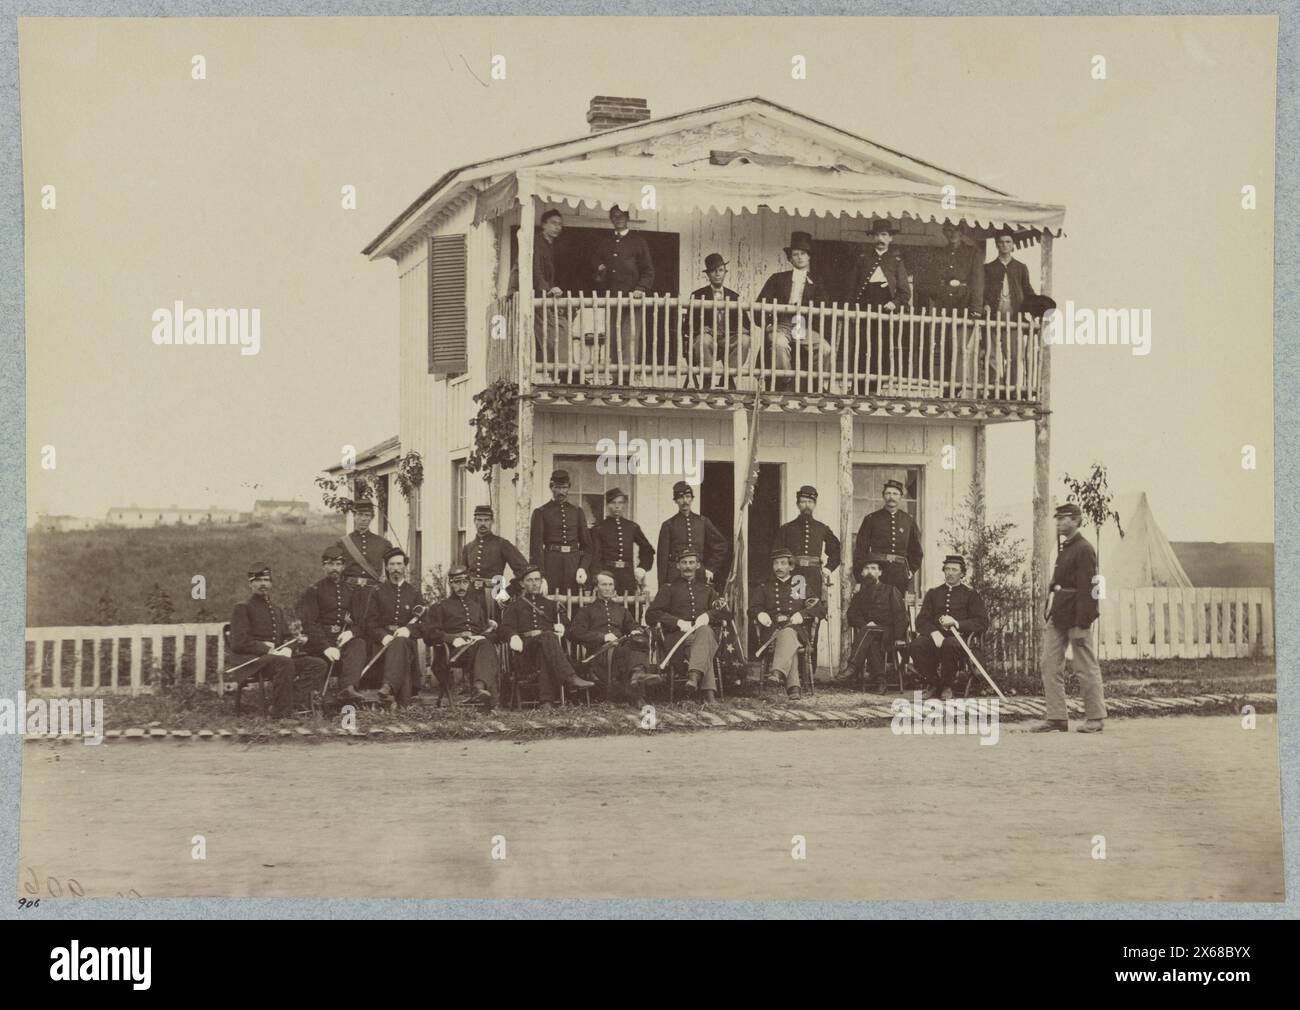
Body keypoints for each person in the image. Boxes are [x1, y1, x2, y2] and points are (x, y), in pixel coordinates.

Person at [1034, 502, 1107, 733]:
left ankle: (1095, 718)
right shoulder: (1066, 547)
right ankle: (1057, 717)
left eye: (1063, 518)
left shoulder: (1084, 548)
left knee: (1085, 666)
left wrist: (1083, 621)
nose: (1058, 522)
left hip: (1077, 617)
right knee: (1049, 663)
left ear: (1076, 520)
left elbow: (1091, 588)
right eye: (1057, 518)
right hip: (1059, 614)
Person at [228, 563, 326, 719]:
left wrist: (290, 647)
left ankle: (286, 703)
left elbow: (287, 637)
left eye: (266, 580)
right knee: (284, 663)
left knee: (318, 664)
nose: (263, 584)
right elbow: (238, 643)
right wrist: (264, 648)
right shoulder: (242, 607)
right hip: (254, 661)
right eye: (258, 580)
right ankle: (281, 715)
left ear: (271, 583)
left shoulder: (276, 609)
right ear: (250, 584)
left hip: (277, 659)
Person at [501, 565, 594, 708]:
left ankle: (546, 702)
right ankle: (570, 677)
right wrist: (513, 636)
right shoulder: (515, 606)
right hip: (526, 653)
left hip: (548, 652)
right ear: (522, 584)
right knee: (548, 636)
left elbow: (571, 630)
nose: (534, 583)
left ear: (541, 581)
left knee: (545, 649)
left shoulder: (552, 605)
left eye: (537, 580)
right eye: (530, 580)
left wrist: (563, 628)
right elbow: (505, 628)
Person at [646, 547, 731, 702]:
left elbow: (726, 614)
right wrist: (677, 622)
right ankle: (709, 695)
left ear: (698, 565)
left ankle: (694, 676)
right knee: (704, 642)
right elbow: (651, 615)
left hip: (702, 635)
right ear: (678, 566)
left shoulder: (707, 590)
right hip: (678, 638)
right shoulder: (668, 589)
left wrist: (708, 615)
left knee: (704, 632)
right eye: (684, 563)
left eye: (691, 562)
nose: (688, 566)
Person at [753, 231, 836, 389]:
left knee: (825, 349)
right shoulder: (778, 279)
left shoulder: (817, 281)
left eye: (803, 254)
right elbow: (760, 305)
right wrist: (768, 325)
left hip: (803, 326)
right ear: (790, 259)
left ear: (809, 256)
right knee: (779, 344)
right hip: (781, 324)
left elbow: (824, 305)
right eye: (795, 254)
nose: (799, 257)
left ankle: (817, 382)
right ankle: (785, 381)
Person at [567, 570, 659, 709]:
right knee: (629, 652)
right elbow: (575, 633)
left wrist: (635, 630)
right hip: (599, 654)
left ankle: (637, 678)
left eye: (610, 585)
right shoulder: (586, 611)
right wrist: (602, 637)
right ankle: (637, 689)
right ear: (596, 587)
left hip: (620, 649)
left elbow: (633, 626)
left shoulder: (621, 610)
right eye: (604, 584)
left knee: (639, 640)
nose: (608, 588)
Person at [908, 555, 988, 701]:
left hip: (959, 639)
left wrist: (957, 623)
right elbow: (921, 620)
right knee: (917, 645)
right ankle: (933, 683)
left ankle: (947, 686)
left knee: (950, 645)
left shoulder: (971, 595)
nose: (950, 573)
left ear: (962, 574)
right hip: (935, 636)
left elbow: (982, 622)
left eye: (954, 570)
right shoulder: (933, 593)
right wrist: (933, 632)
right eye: (947, 569)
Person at [750, 546, 826, 699]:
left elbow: (819, 608)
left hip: (797, 629)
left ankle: (777, 672)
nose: (778, 567)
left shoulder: (799, 584)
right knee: (789, 640)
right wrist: (760, 613)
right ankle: (793, 687)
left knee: (789, 633)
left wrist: (802, 614)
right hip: (772, 631)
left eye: (783, 563)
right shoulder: (765, 586)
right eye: (776, 563)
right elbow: (752, 608)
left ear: (791, 566)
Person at [296, 545, 368, 699]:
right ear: (324, 566)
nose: (334, 568)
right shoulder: (314, 590)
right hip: (320, 640)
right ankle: (314, 695)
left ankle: (348, 689)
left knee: (359, 644)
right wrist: (326, 647)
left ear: (343, 567)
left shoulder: (352, 590)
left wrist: (351, 633)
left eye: (338, 564)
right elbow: (310, 624)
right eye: (330, 564)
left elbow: (360, 622)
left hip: (342, 638)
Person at [590, 205, 655, 374]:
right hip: (613, 297)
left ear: (627, 218)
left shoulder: (638, 241)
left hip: (632, 298)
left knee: (629, 338)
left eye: (620, 216)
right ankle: (615, 378)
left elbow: (648, 270)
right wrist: (599, 267)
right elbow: (595, 261)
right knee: (613, 338)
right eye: (614, 216)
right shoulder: (606, 242)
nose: (617, 219)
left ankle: (627, 379)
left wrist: (641, 288)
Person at [427, 564, 501, 710]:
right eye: (457, 582)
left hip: (476, 649)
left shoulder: (476, 607)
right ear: (450, 583)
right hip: (454, 652)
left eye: (465, 582)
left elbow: (485, 631)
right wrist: (452, 639)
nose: (461, 586)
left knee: (486, 644)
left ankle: (479, 689)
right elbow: (431, 634)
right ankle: (482, 693)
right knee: (486, 647)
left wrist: (483, 636)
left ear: (469, 583)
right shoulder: (440, 606)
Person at [848, 220, 911, 380]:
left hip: (886, 310)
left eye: (884, 235)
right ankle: (858, 386)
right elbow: (852, 287)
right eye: (876, 235)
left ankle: (876, 387)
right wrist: (852, 309)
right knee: (861, 347)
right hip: (864, 308)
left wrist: (894, 303)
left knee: (882, 348)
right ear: (872, 238)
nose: (880, 239)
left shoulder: (896, 262)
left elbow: (905, 293)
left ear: (890, 238)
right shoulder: (863, 259)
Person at [363, 547, 426, 707]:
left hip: (406, 642)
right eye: (392, 564)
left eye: (399, 564)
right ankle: (400, 700)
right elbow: (370, 622)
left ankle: (388, 686)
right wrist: (383, 636)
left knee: (401, 643)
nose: (395, 568)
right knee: (398, 648)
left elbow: (424, 623)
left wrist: (408, 630)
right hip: (382, 645)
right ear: (387, 567)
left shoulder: (414, 592)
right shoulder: (377, 592)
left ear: (405, 566)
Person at [510, 208, 571, 372]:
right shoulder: (536, 243)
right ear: (543, 224)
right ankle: (562, 372)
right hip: (533, 295)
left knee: (560, 329)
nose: (557, 227)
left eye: (560, 224)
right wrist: (548, 290)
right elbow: (535, 271)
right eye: (553, 223)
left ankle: (562, 371)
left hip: (541, 296)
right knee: (553, 333)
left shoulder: (549, 245)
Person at [838, 554, 909, 690]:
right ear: (862, 573)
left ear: (880, 572)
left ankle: (852, 666)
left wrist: (899, 637)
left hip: (889, 633)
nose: (870, 571)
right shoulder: (859, 595)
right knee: (872, 641)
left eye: (873, 568)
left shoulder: (890, 590)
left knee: (869, 633)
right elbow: (852, 615)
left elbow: (901, 616)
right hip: (869, 634)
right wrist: (865, 625)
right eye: (867, 568)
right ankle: (880, 681)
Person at [683, 253, 751, 383]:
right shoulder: (698, 295)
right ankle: (707, 379)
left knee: (745, 340)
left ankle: (727, 377)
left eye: (721, 270)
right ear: (708, 274)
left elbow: (746, 324)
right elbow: (687, 325)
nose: (718, 274)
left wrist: (743, 329)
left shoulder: (734, 296)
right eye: (714, 271)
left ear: (725, 273)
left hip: (728, 340)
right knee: (703, 340)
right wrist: (700, 328)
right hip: (708, 340)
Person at [853, 479, 923, 596]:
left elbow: (916, 550)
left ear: (901, 497)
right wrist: (860, 577)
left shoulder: (908, 520)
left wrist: (910, 570)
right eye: (888, 493)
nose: (891, 497)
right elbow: (860, 550)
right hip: (877, 572)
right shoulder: (871, 519)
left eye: (895, 494)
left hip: (900, 573)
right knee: (875, 603)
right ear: (883, 496)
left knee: (898, 604)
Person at [772, 484, 841, 602]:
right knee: (795, 605)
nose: (807, 505)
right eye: (803, 502)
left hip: (814, 576)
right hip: (793, 574)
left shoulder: (822, 528)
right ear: (798, 504)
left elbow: (837, 550)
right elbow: (776, 554)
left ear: (815, 504)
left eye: (810, 502)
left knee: (814, 606)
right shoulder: (787, 528)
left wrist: (828, 569)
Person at [529, 468, 592, 595]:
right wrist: (541, 575)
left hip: (573, 565)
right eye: (557, 487)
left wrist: (582, 568)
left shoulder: (577, 512)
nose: (561, 492)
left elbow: (587, 546)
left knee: (573, 601)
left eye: (564, 487)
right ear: (551, 487)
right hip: (551, 564)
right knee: (550, 601)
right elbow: (536, 547)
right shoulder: (541, 512)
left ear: (569, 488)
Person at [655, 480, 727, 587]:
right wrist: (663, 585)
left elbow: (721, 545)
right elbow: (662, 559)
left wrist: (710, 568)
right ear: (675, 501)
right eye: (680, 497)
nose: (685, 501)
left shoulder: (702, 522)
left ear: (692, 498)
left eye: (688, 496)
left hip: (698, 575)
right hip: (675, 577)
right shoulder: (668, 525)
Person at [588, 487, 654, 596]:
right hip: (607, 575)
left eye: (620, 503)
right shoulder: (599, 528)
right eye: (613, 503)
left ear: (624, 505)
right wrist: (598, 575)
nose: (617, 506)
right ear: (608, 505)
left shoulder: (632, 527)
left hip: (627, 576)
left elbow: (647, 549)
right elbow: (595, 555)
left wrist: (642, 568)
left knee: (629, 604)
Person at [461, 504, 527, 604]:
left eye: (486, 520)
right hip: (471, 597)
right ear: (474, 521)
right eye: (479, 520)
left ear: (492, 521)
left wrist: (509, 591)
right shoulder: (468, 547)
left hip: (494, 596)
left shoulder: (502, 544)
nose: (483, 523)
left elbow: (524, 570)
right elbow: (462, 576)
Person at [339, 498, 391, 592]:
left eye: (367, 515)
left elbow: (391, 570)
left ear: (372, 518)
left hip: (373, 592)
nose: (363, 519)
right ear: (354, 516)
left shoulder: (383, 543)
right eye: (360, 514)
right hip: (348, 591)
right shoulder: (342, 543)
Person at [983, 229, 1036, 318]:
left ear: (1013, 244)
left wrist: (1036, 305)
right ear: (997, 245)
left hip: (1016, 313)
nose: (1004, 245)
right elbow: (982, 289)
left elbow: (1027, 289)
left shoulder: (1021, 267)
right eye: (1001, 242)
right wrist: (985, 304)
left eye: (1008, 242)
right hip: (993, 313)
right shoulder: (988, 268)